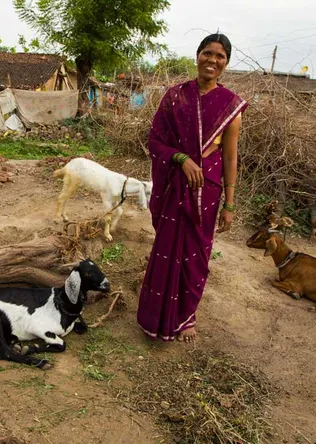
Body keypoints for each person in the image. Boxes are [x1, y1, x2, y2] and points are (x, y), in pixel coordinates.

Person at [137, 33, 248, 343]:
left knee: (196, 255)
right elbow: (155, 141)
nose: (212, 60)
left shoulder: (230, 105)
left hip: (208, 192)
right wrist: (182, 158)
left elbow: (229, 155)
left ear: (226, 63)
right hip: (176, 188)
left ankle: (186, 316)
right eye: (208, 53)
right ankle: (155, 316)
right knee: (167, 250)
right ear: (198, 55)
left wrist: (229, 203)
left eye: (220, 56)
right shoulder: (175, 96)